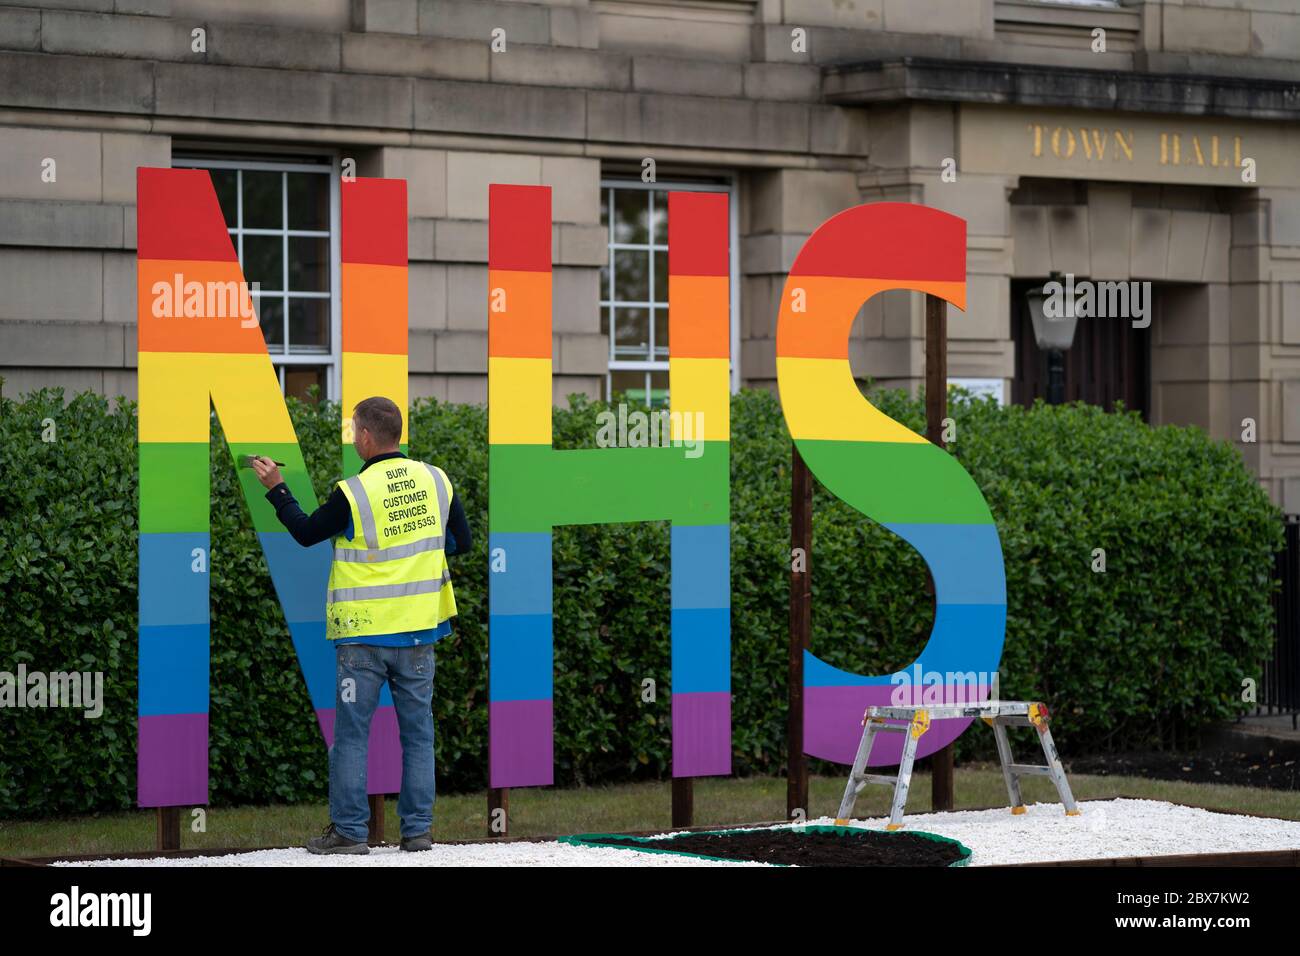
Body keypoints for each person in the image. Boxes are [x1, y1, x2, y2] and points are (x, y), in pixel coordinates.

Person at [250, 396, 470, 854]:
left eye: (354, 431)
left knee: (352, 737)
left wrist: (276, 487)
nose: (354, 438)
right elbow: (460, 542)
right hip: (418, 632)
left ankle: (350, 833)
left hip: (363, 637)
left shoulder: (353, 492)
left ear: (366, 437)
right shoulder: (436, 480)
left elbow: (307, 532)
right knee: (419, 735)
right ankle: (418, 832)